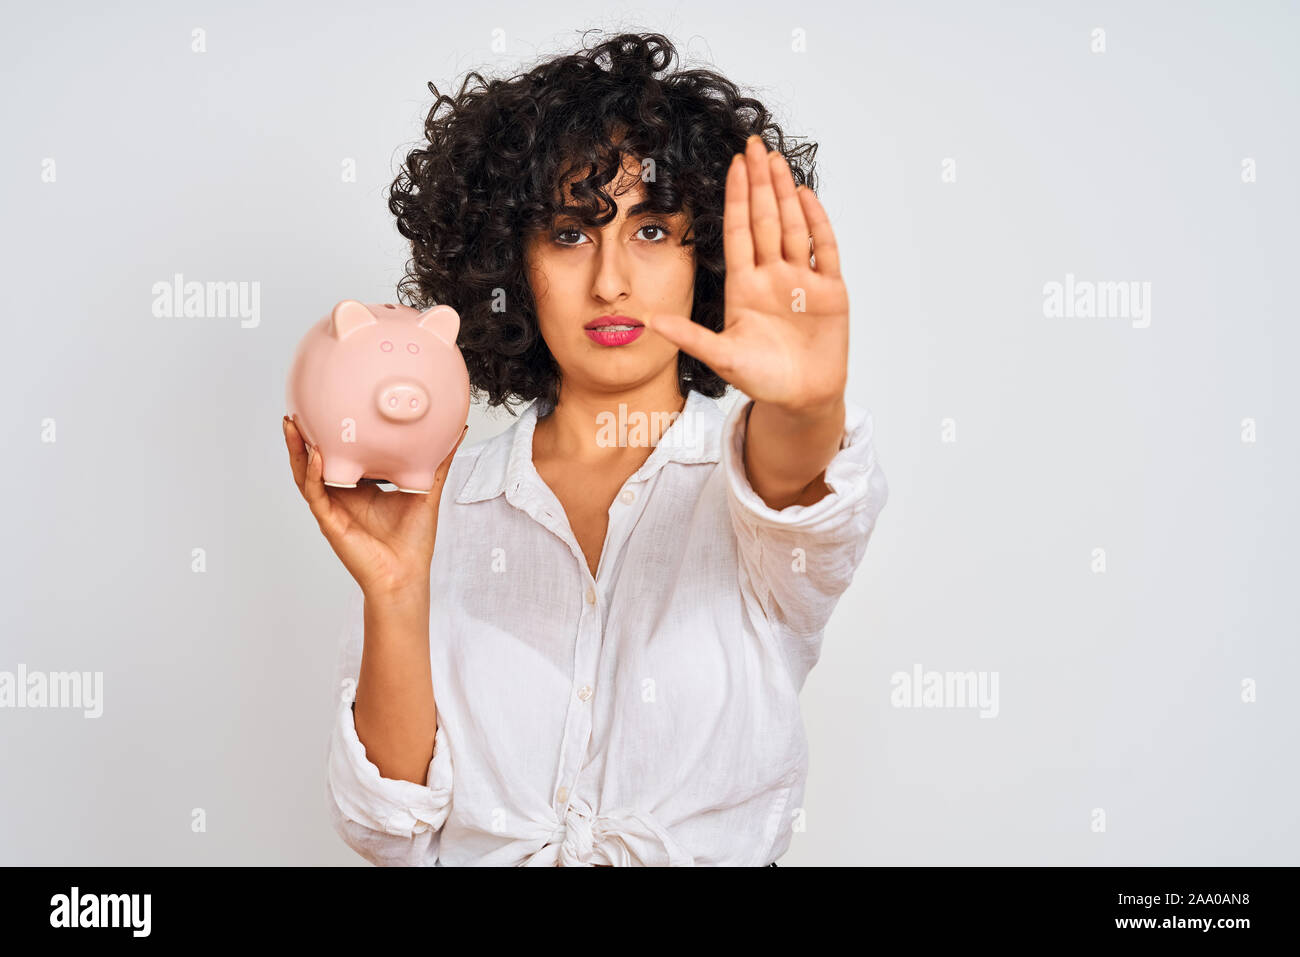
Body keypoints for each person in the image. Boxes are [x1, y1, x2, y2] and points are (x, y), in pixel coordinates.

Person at [283, 32, 887, 866]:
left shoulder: (748, 486)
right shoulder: (440, 498)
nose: (610, 281)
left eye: (651, 231)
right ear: (511, 259)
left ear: (702, 251)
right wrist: (395, 591)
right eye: (570, 233)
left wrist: (809, 401)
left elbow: (797, 486)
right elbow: (390, 829)